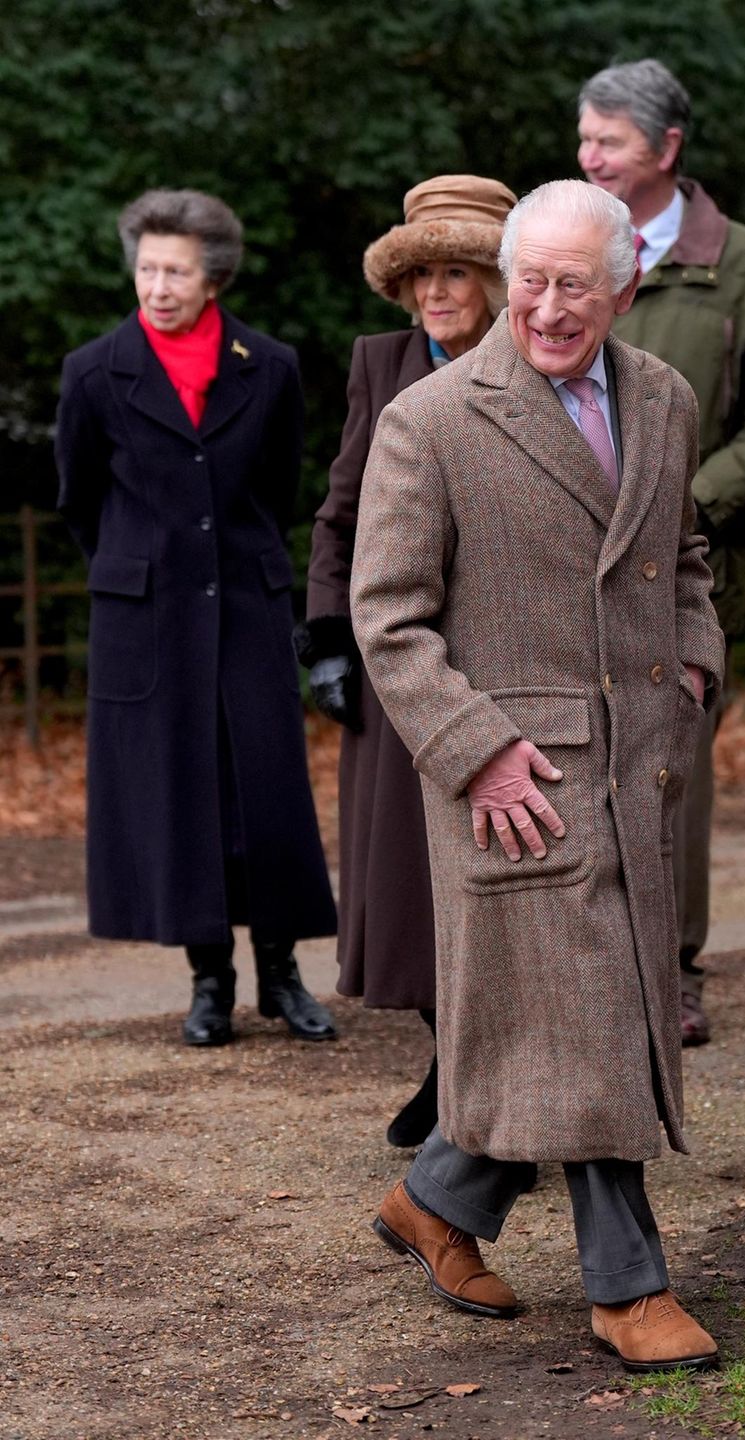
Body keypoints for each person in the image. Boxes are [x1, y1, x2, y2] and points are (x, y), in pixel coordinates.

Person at [351, 179, 726, 1371]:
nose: (549, 307)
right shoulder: (435, 417)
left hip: (639, 769)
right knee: (593, 1019)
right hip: (512, 782)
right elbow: (390, 618)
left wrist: (698, 669)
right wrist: (474, 749)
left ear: (624, 286)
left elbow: (690, 557)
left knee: (573, 1024)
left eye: (576, 283)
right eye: (531, 279)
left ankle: (439, 1197)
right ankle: (628, 1288)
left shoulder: (664, 398)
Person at [55, 188, 337, 1048]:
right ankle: (208, 982)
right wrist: (140, 565)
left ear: (212, 277)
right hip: (148, 617)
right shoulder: (94, 372)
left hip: (249, 606)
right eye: (147, 268)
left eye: (175, 270)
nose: (158, 285)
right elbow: (81, 500)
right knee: (180, 796)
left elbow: (281, 486)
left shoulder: (271, 365)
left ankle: (281, 974)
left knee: (264, 792)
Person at [578, 59, 745, 1044]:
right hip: (564, 561)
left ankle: (671, 972)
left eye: (610, 143)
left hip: (689, 575)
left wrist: (692, 502)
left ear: (667, 149)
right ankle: (579, 967)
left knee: (670, 775)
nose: (589, 159)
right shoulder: (564, 241)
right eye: (582, 140)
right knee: (570, 766)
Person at [295, 175, 517, 1146]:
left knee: (495, 879)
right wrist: (326, 633)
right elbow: (340, 508)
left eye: (456, 272)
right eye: (422, 273)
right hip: (399, 661)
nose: (436, 292)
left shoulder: (531, 365)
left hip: (503, 660)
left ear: (495, 282)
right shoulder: (379, 363)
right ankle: (448, 1068)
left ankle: (484, 1090)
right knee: (404, 889)